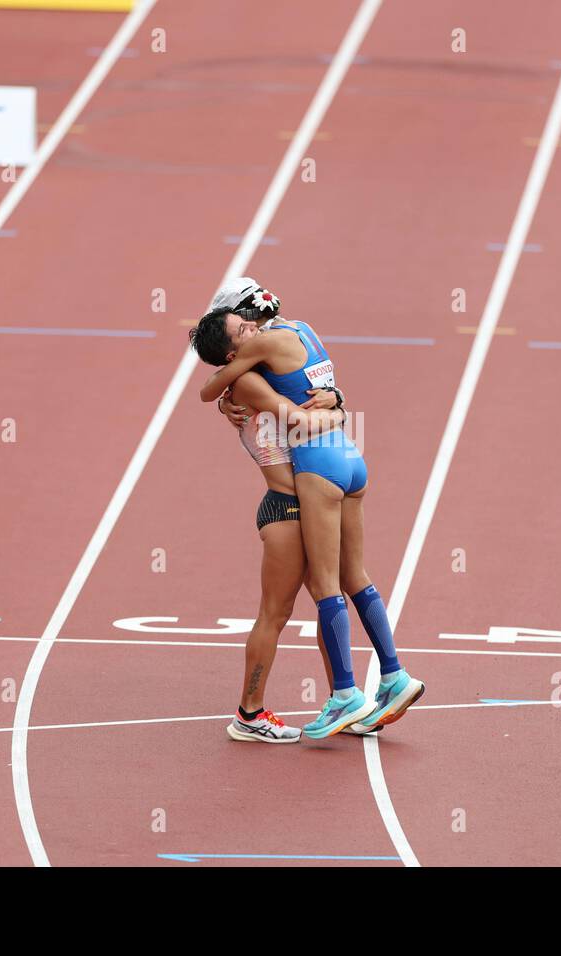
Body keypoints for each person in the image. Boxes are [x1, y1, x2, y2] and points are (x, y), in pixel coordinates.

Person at [191, 280, 424, 739]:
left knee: (332, 589)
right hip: (287, 507)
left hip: (315, 484)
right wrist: (338, 411)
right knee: (280, 612)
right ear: (235, 349)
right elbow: (291, 414)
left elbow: (295, 387)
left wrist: (336, 398)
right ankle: (251, 713)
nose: (252, 327)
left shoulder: (258, 367)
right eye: (242, 328)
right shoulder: (248, 380)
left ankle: (350, 694)